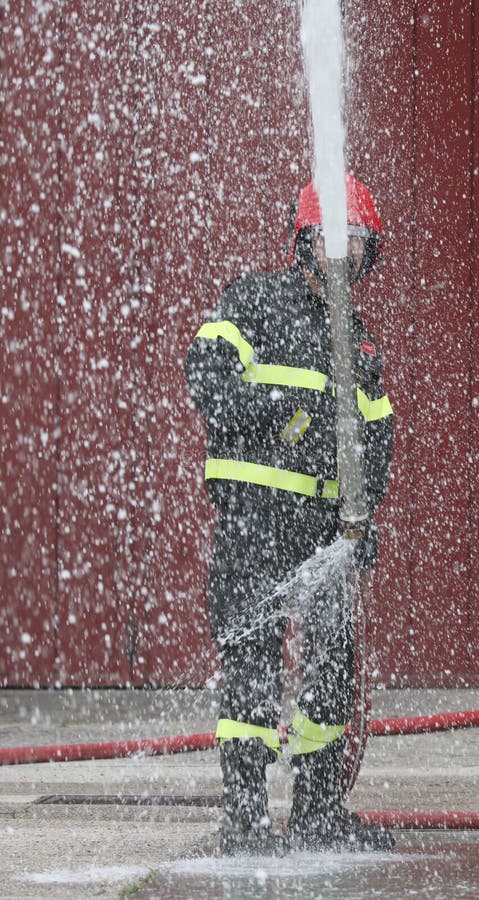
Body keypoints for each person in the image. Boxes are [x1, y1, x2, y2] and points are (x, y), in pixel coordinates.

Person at [185, 174, 394, 855]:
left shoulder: (357, 345)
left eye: (355, 247)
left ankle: (316, 814)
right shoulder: (251, 302)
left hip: (319, 536)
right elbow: (206, 380)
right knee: (250, 669)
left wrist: (358, 526)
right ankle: (244, 825)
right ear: (300, 244)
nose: (342, 258)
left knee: (331, 670)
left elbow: (376, 443)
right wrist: (277, 414)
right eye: (330, 243)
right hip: (251, 524)